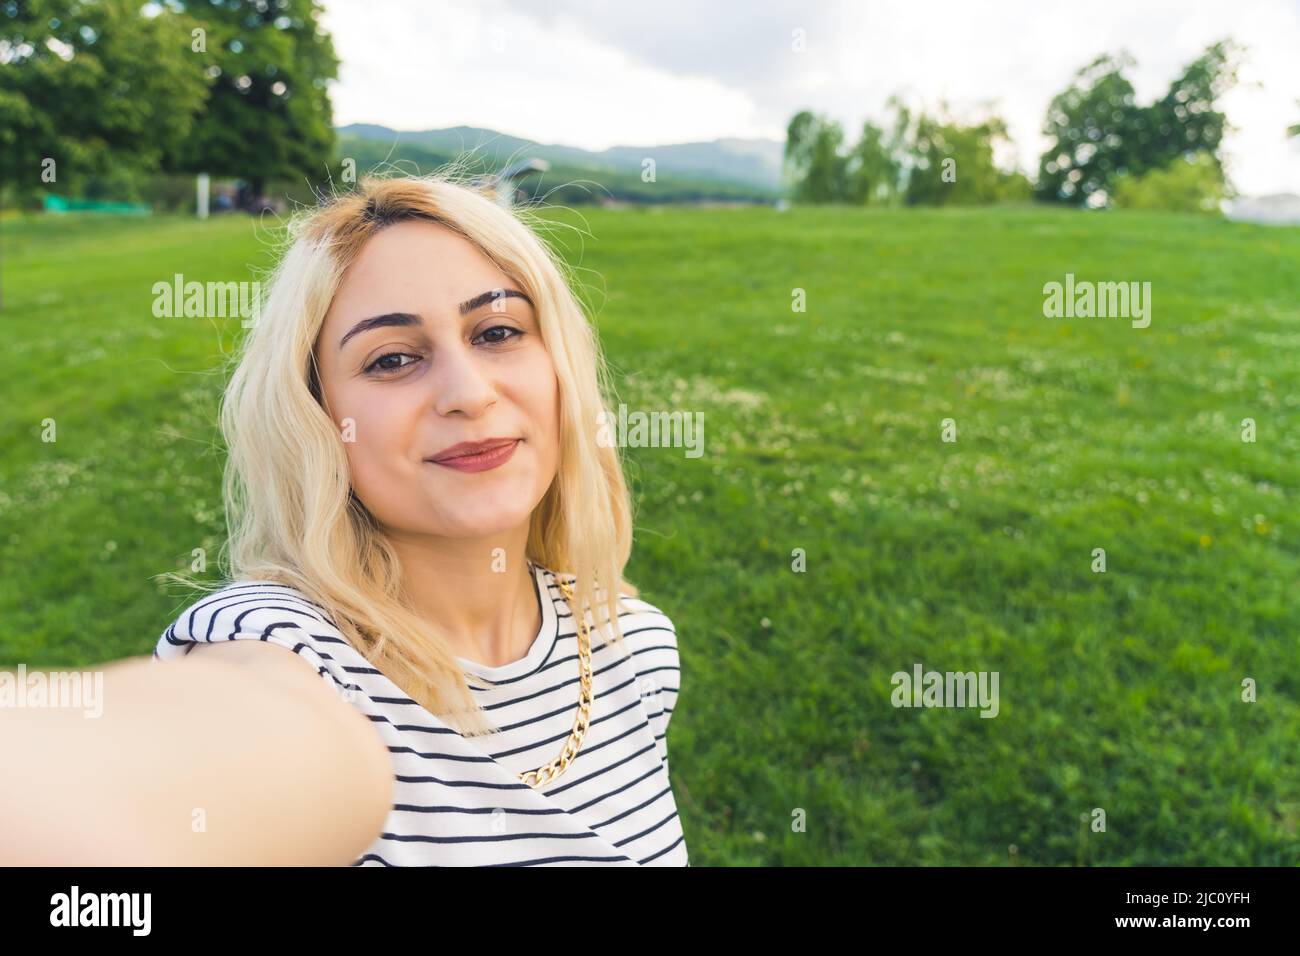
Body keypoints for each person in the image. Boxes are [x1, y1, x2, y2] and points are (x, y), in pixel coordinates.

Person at [0, 173, 687, 866]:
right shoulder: (295, 655)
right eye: (392, 358)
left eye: (498, 331)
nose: (468, 394)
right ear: (318, 419)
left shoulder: (636, 647)